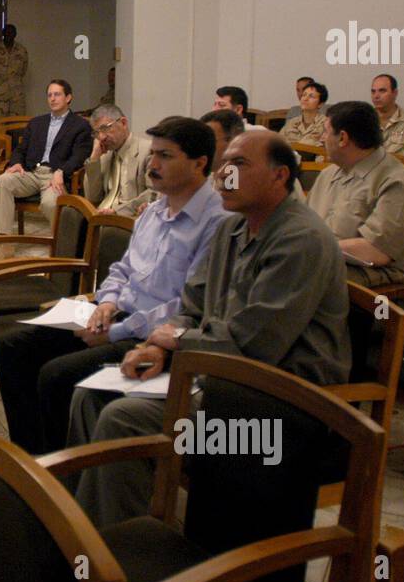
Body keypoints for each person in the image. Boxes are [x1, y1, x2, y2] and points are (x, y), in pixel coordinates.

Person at [68, 130, 351, 527]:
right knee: (90, 394)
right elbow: (193, 306)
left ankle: (117, 551)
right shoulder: (232, 229)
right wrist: (158, 349)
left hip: (279, 400)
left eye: (239, 165)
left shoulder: (300, 239)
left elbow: (256, 346)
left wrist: (177, 340)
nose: (223, 176)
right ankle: (95, 527)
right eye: (222, 166)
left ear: (280, 176)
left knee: (123, 418)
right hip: (217, 373)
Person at [0, 117, 227, 454]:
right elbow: (123, 269)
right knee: (13, 348)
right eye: (153, 155)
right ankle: (33, 460)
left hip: (153, 337)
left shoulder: (217, 223)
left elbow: (188, 306)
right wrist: (105, 303)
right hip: (115, 316)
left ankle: (62, 472)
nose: (154, 165)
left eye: (165, 156)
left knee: (56, 376)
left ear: (199, 163)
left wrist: (114, 331)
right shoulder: (153, 211)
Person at [308, 101, 404, 287]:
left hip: (379, 278)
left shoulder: (399, 183)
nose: (321, 138)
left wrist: (308, 250)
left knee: (297, 275)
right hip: (328, 260)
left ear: (343, 138)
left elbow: (376, 252)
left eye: (325, 132)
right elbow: (304, 225)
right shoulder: (328, 174)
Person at [0, 79, 93, 256]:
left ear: (68, 98)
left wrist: (62, 172)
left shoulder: (80, 125)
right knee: (3, 181)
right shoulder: (37, 123)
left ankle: (66, 246)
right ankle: (4, 243)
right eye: (49, 95)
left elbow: (79, 156)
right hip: (30, 172)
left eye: (57, 94)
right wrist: (16, 163)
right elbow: (21, 149)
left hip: (55, 175)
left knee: (50, 202)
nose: (52, 98)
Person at [83, 104, 155, 216]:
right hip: (102, 215)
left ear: (123, 123)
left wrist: (118, 211)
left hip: (130, 218)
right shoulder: (104, 155)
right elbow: (92, 197)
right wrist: (94, 159)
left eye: (105, 128)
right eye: (97, 132)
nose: (101, 137)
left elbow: (153, 193)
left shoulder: (147, 150)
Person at [0, 24, 28, 117]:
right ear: (3, 33)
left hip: (16, 96)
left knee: (17, 126)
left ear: (15, 34)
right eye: (7, 32)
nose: (9, 35)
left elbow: (23, 71)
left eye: (12, 33)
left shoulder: (21, 51)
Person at [281, 81, 329, 145]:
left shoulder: (326, 123)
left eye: (311, 96)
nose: (305, 99)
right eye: (304, 95)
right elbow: (277, 142)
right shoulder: (291, 122)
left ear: (320, 104)